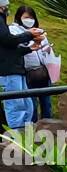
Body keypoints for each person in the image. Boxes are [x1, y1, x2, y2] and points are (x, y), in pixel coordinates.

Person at [0, 0, 43, 129]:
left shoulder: (2, 22)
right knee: (15, 105)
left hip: (16, 69)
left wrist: (30, 48)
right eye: (5, 6)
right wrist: (29, 35)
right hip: (7, 71)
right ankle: (16, 137)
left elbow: (8, 48)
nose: (7, 8)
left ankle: (25, 134)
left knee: (27, 104)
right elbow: (8, 40)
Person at [10, 5, 53, 121]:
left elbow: (46, 49)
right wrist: (29, 37)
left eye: (31, 17)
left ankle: (49, 128)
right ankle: (31, 129)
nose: (29, 20)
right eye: (26, 17)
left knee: (46, 103)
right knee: (31, 105)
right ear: (19, 17)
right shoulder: (14, 31)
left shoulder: (40, 31)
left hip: (43, 72)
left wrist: (47, 49)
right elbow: (18, 46)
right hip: (27, 73)